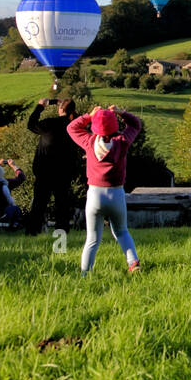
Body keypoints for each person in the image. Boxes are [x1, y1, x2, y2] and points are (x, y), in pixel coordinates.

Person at [66, 104, 141, 275]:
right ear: (115, 125)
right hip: (116, 193)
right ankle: (133, 262)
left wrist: (89, 116)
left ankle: (85, 273)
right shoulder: (122, 142)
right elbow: (136, 125)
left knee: (92, 239)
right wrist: (123, 113)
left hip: (95, 195)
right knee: (122, 231)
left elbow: (71, 128)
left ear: (94, 127)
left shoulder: (89, 141)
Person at [25, 97, 79, 235]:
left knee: (39, 205)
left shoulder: (49, 124)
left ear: (60, 109)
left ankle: (32, 233)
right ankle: (61, 237)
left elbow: (31, 124)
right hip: (64, 172)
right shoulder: (74, 127)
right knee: (62, 206)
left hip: (45, 171)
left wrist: (40, 106)